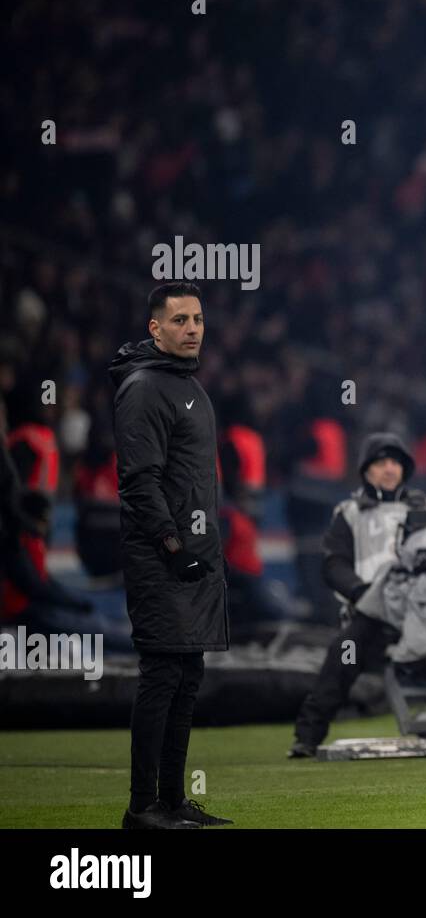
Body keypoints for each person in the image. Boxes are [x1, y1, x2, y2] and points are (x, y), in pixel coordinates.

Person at [110, 281, 231, 829]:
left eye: (198, 319)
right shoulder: (144, 388)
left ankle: (173, 801)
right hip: (163, 558)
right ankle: (142, 807)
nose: (192, 329)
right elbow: (139, 481)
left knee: (186, 677)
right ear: (155, 329)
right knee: (162, 675)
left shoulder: (187, 386)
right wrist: (171, 544)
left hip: (195, 558)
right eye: (179, 320)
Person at [288, 432, 426, 757]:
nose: (389, 469)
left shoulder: (425, 509)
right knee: (342, 657)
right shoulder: (349, 512)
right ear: (366, 469)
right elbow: (334, 563)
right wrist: (360, 592)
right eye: (381, 462)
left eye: (395, 462)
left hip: (421, 612)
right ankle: (307, 737)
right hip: (370, 614)